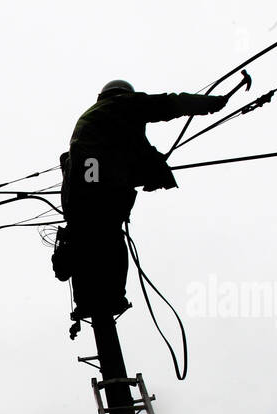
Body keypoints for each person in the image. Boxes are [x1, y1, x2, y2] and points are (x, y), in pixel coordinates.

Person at [55, 79, 227, 337]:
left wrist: (152, 170)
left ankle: (88, 298)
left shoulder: (96, 119)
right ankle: (108, 296)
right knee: (109, 237)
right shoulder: (123, 105)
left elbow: (123, 154)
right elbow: (167, 104)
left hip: (78, 195)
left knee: (88, 238)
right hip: (96, 183)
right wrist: (210, 104)